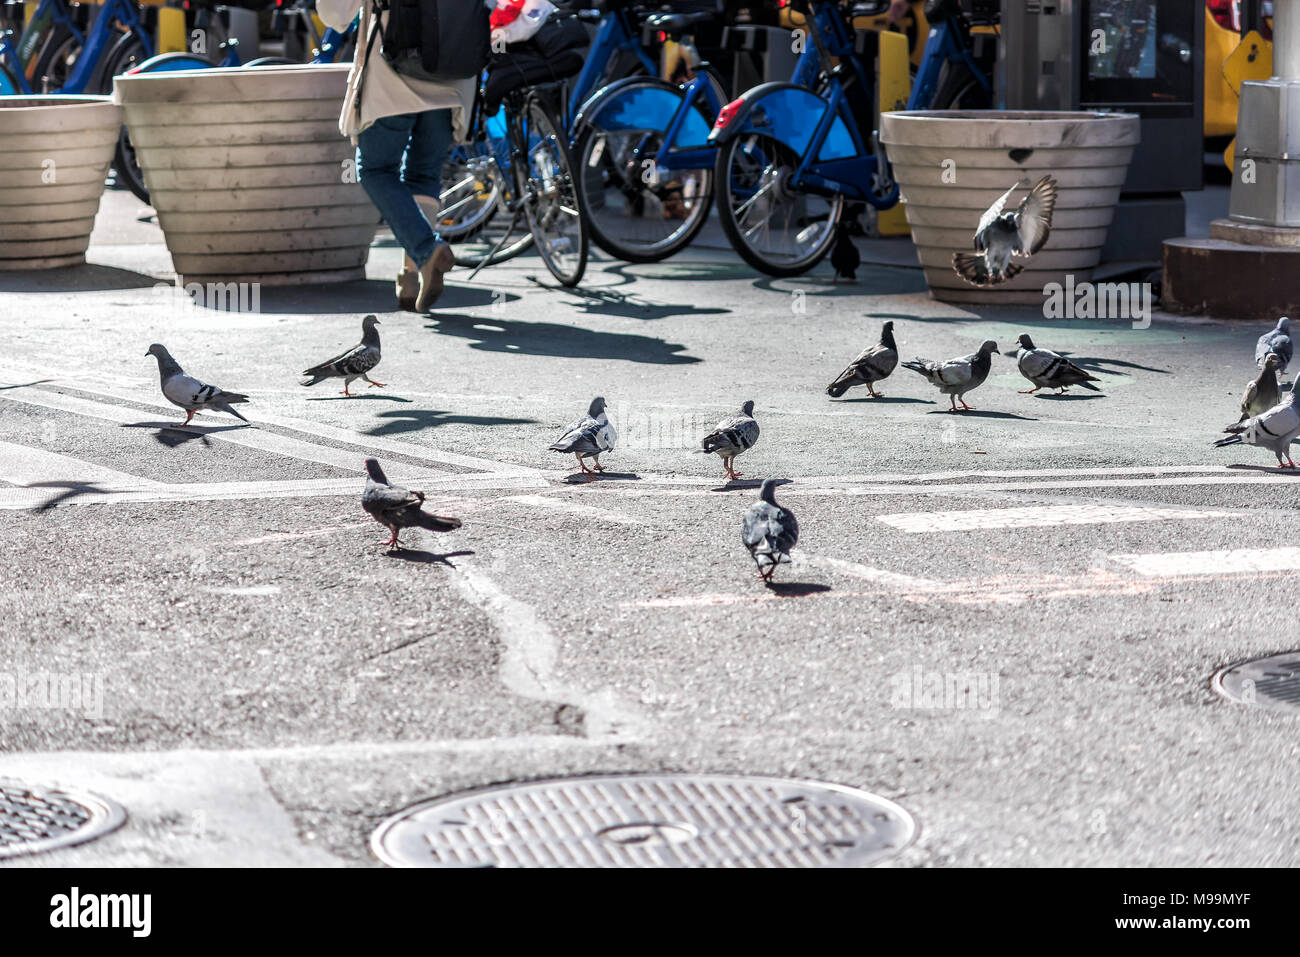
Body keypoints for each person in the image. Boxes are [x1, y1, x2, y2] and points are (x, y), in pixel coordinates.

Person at [318, 0, 477, 311]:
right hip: (451, 74)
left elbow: (335, 15)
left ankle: (426, 250)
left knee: (375, 169)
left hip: (392, 77)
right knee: (425, 174)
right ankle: (411, 278)